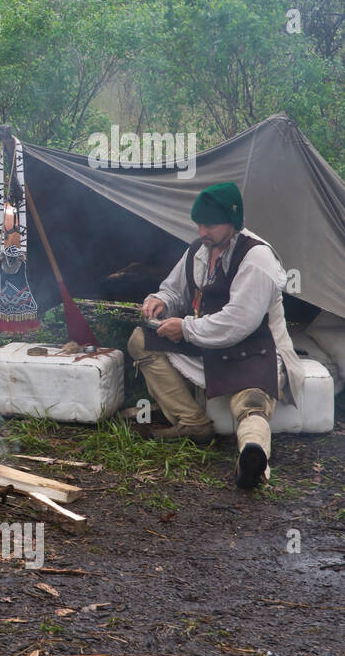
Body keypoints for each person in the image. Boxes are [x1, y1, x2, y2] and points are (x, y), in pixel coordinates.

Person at [128, 182, 304, 489]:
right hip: (207, 342)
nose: (202, 233)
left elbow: (239, 321)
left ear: (232, 222)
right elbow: (174, 289)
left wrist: (185, 328)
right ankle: (193, 423)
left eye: (209, 225)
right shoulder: (199, 250)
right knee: (140, 341)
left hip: (255, 348)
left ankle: (253, 457)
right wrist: (162, 301)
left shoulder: (257, 258)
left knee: (251, 402)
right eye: (199, 225)